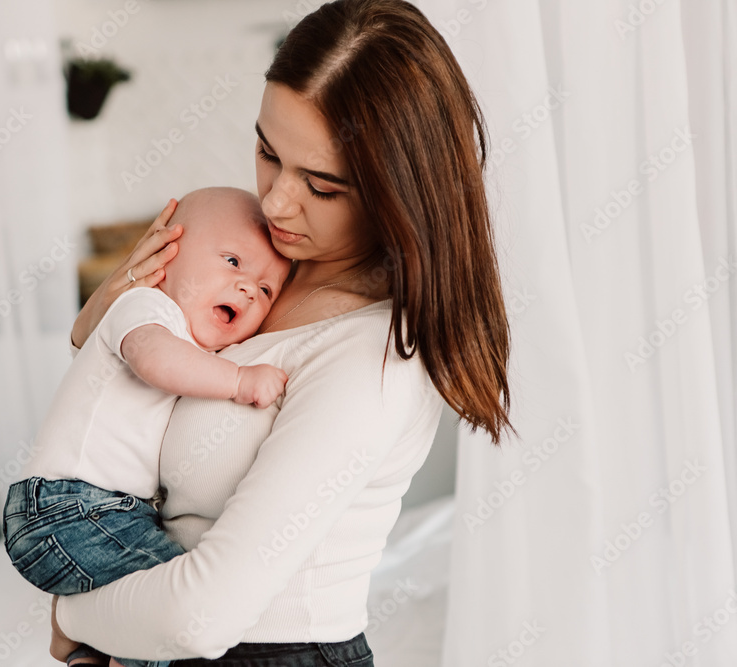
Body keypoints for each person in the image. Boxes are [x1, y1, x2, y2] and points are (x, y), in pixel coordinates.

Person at [51, 1, 514, 665]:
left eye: (320, 185)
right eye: (268, 152)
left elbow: (199, 616)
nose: (273, 202)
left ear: (397, 192)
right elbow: (102, 371)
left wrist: (74, 612)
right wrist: (122, 294)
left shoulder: (372, 357)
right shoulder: (264, 264)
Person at [3, 187, 291, 667]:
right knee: (171, 605)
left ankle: (84, 655)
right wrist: (240, 380)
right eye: (233, 262)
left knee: (135, 612)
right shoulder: (146, 309)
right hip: (68, 506)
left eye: (265, 289)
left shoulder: (191, 345)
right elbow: (154, 359)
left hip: (102, 512)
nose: (247, 288)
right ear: (166, 259)